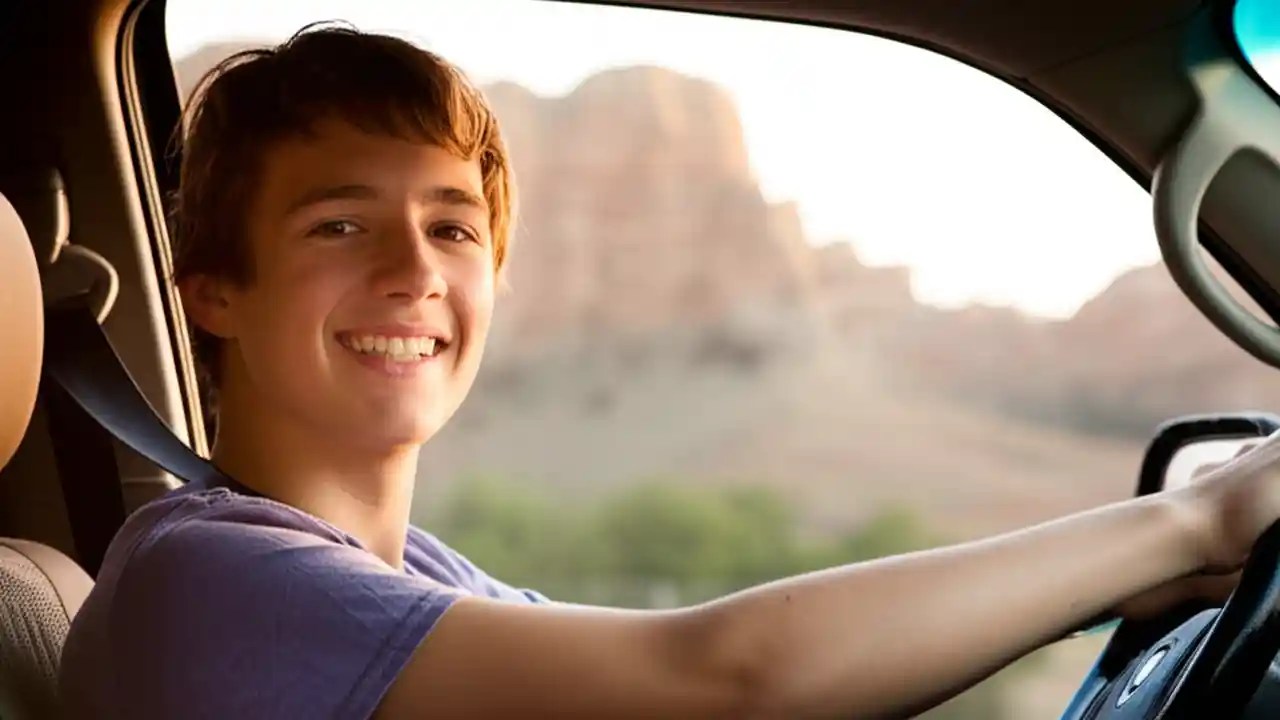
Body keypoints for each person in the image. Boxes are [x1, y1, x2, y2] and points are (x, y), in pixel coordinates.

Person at [56, 22, 1280, 719]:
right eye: (339, 224)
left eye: (451, 227)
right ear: (211, 291)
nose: (412, 269)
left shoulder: (415, 579)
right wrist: (1187, 520)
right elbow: (721, 678)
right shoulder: (206, 577)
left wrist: (1119, 573)